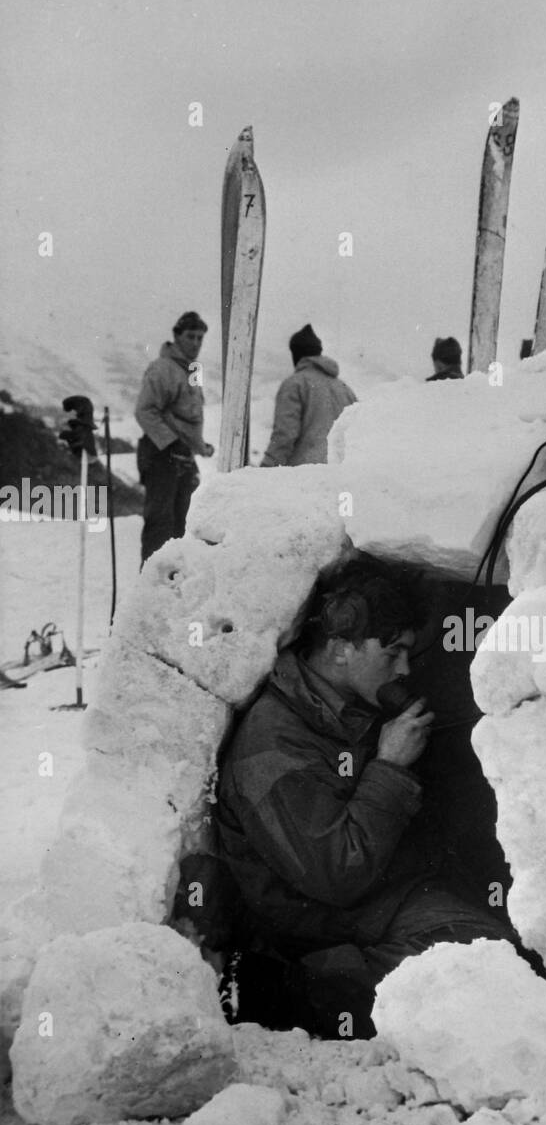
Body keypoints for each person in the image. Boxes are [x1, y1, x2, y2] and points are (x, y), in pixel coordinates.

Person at [215, 555, 518, 1038]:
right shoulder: (273, 747)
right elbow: (337, 874)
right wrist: (390, 767)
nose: (402, 668)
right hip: (328, 913)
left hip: (389, 891)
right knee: (483, 966)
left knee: (496, 956)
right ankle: (281, 989)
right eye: (391, 652)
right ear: (340, 648)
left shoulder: (341, 705)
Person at [135, 311, 214, 564]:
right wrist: (172, 442)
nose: (196, 343)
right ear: (176, 336)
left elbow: (188, 420)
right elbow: (145, 411)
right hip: (160, 455)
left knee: (184, 524)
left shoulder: (191, 371)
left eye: (200, 338)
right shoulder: (162, 369)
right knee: (161, 524)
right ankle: (151, 589)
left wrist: (201, 447)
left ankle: (172, 588)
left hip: (182, 455)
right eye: (190, 336)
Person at [261, 324, 356, 467]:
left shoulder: (295, 384)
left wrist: (266, 470)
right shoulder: (345, 389)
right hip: (338, 476)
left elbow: (285, 435)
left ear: (296, 354)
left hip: (304, 476)